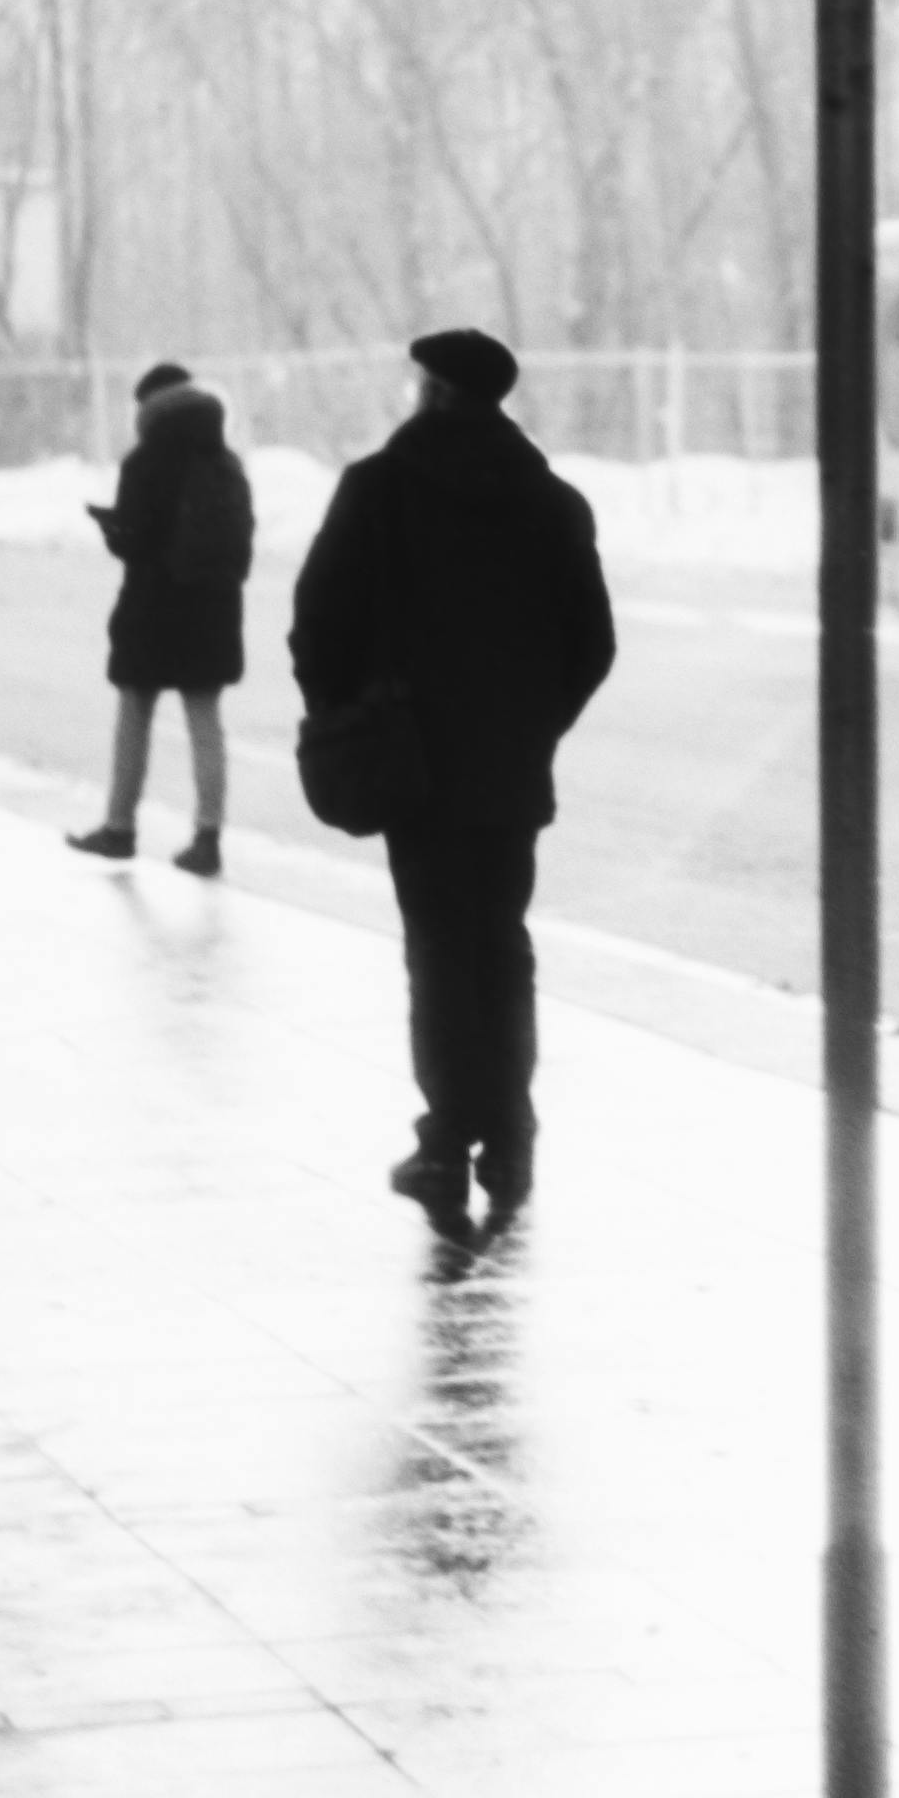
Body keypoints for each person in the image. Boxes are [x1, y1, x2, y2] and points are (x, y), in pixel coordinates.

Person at [290, 328, 615, 1225]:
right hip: (509, 773)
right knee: (501, 946)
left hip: (411, 765)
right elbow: (593, 645)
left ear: (430, 393)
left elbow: (317, 622)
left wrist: (352, 710)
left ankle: (445, 1142)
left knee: (437, 950)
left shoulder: (378, 489)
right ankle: (508, 1137)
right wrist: (530, 727)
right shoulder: (552, 503)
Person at [67, 361, 254, 877]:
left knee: (134, 716)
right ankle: (208, 837)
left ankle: (120, 828)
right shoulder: (226, 462)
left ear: (149, 407)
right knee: (205, 723)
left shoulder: (145, 462)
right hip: (213, 609)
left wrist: (111, 526)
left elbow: (135, 542)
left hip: (154, 607)